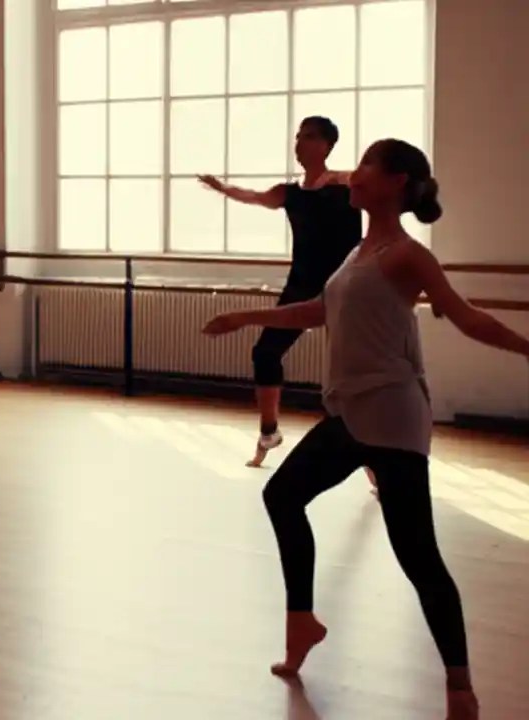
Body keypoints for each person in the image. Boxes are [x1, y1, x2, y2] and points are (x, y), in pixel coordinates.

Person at [202, 138, 514, 720]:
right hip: (350, 412)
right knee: (283, 495)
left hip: (392, 417)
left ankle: (461, 689)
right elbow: (319, 310)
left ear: (396, 181)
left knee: (417, 555)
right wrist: (245, 315)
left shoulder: (406, 254)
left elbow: (464, 314)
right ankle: (303, 624)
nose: (356, 173)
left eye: (368, 164)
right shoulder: (360, 249)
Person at [199, 116, 362, 467]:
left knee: (349, 374)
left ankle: (369, 459)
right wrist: (222, 188)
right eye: (298, 136)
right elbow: (256, 197)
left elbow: (383, 184)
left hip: (345, 289)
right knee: (265, 353)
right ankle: (269, 432)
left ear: (327, 145)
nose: (299, 143)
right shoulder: (289, 193)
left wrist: (348, 177)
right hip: (301, 287)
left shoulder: (349, 185)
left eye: (308, 137)